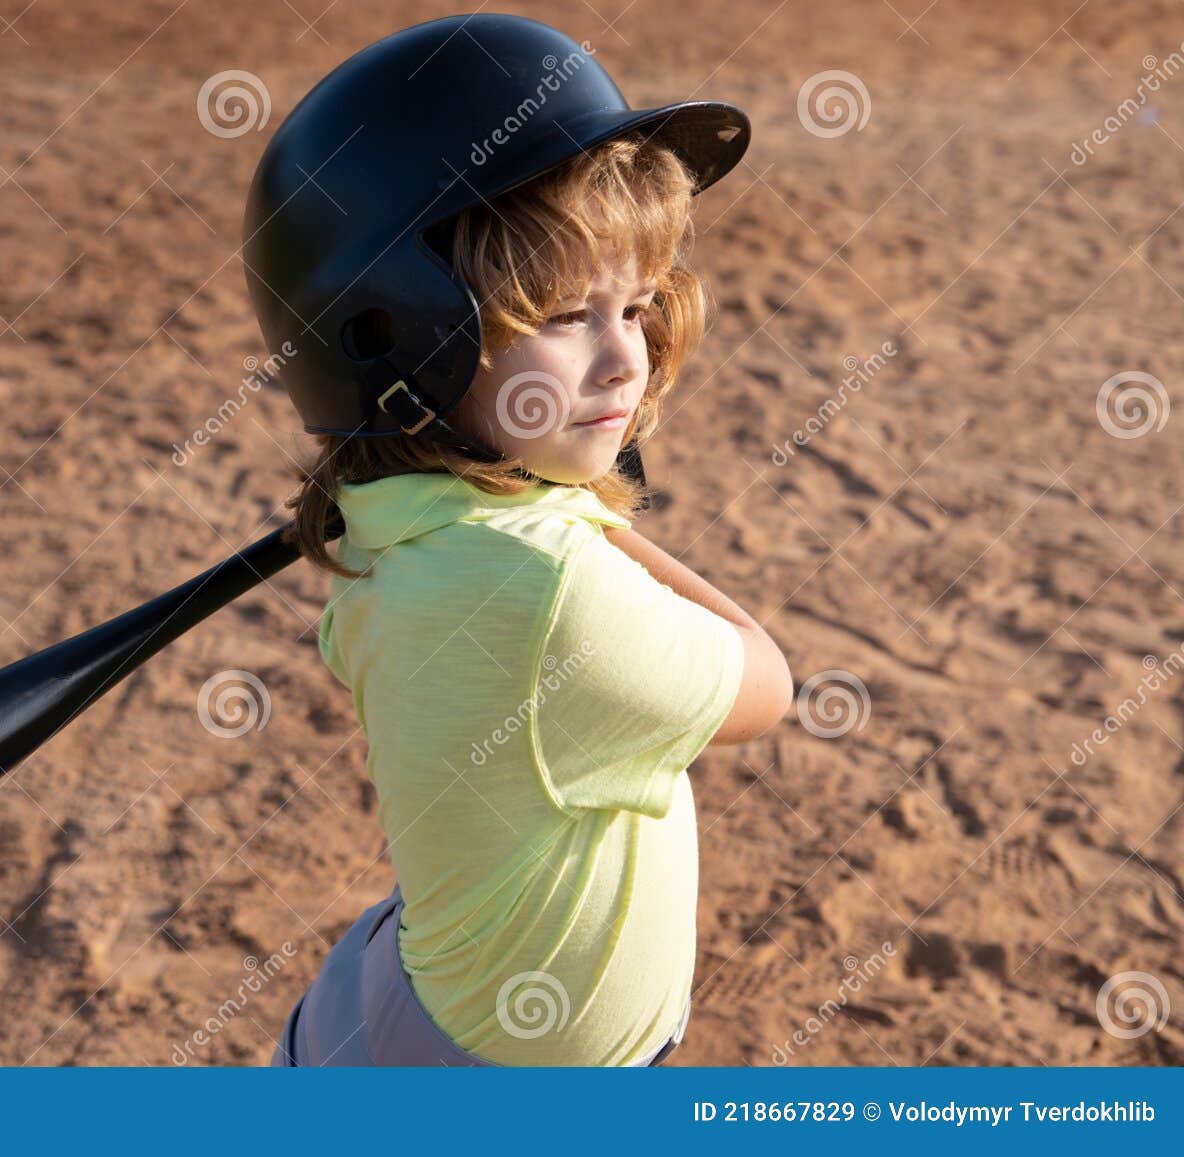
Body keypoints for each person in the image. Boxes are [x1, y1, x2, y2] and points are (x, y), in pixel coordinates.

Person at [243, 14, 794, 1067]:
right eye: (561, 314)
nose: (626, 358)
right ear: (398, 331)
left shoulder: (406, 525)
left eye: (634, 305)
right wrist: (596, 508)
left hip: (419, 1009)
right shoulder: (551, 583)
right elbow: (768, 680)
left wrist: (566, 497)